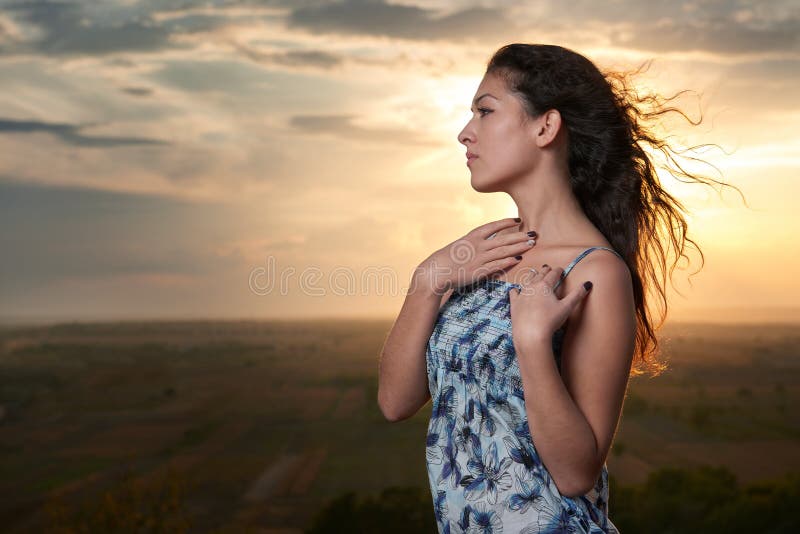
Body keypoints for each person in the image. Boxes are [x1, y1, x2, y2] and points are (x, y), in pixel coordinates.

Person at [377, 43, 740, 533]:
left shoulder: (597, 273)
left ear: (545, 127)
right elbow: (395, 403)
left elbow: (575, 474)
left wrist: (531, 343)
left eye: (485, 112)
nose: (465, 134)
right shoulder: (482, 253)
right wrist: (426, 282)